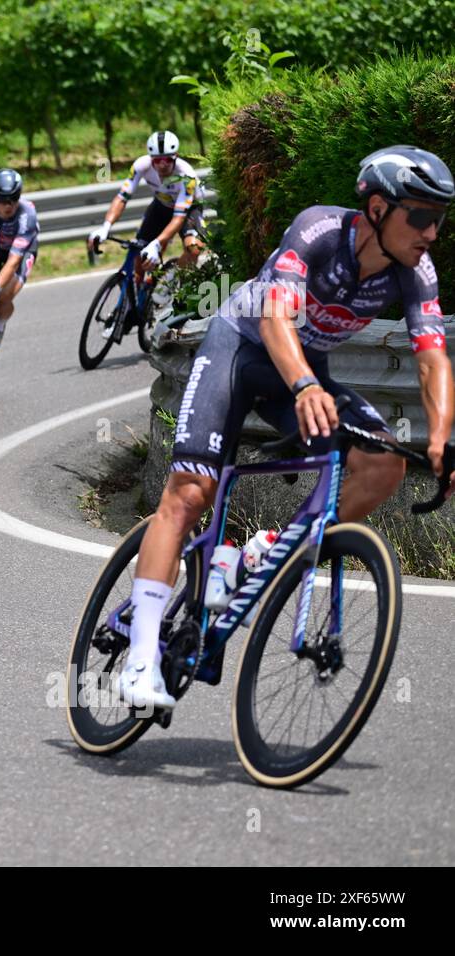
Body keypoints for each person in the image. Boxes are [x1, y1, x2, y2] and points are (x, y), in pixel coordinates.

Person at [119, 146, 455, 711]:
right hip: (241, 350)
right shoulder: (319, 230)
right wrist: (303, 387)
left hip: (302, 368)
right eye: (420, 216)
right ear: (377, 208)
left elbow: (431, 359)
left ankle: (265, 550)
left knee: (385, 462)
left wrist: (442, 437)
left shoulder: (414, 271)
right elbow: (276, 318)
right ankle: (140, 657)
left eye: (439, 218)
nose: (432, 232)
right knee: (191, 494)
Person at [88, 131, 205, 283]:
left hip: (189, 210)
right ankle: (139, 291)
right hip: (162, 205)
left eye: (167, 159)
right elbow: (122, 197)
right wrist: (106, 227)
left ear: (176, 156)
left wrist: (156, 244)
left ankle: (171, 281)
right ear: (151, 159)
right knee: (139, 253)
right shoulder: (141, 165)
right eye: (157, 160)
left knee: (194, 249)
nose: (162, 165)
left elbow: (178, 218)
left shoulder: (187, 176)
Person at [0, 168, 39, 355]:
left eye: (14, 198)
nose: (9, 205)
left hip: (21, 252)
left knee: (2, 297)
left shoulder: (27, 214)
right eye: (3, 199)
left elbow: (14, 260)